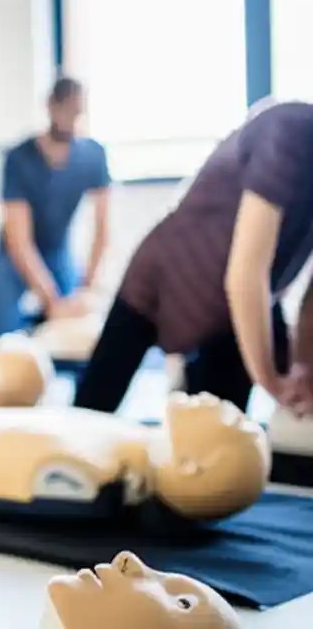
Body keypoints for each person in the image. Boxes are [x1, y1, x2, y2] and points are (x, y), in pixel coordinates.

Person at [73, 102, 313, 417]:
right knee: (92, 408)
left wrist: (302, 368)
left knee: (220, 433)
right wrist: (271, 383)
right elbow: (245, 275)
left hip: (238, 311)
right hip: (167, 276)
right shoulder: (289, 133)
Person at [0, 78, 111, 345]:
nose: (72, 120)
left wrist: (85, 290)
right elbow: (19, 241)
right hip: (15, 254)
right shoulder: (19, 158)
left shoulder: (93, 155)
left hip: (57, 252)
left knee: (74, 327)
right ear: (50, 106)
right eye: (66, 111)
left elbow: (102, 231)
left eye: (78, 112)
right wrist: (51, 302)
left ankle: (39, 324)